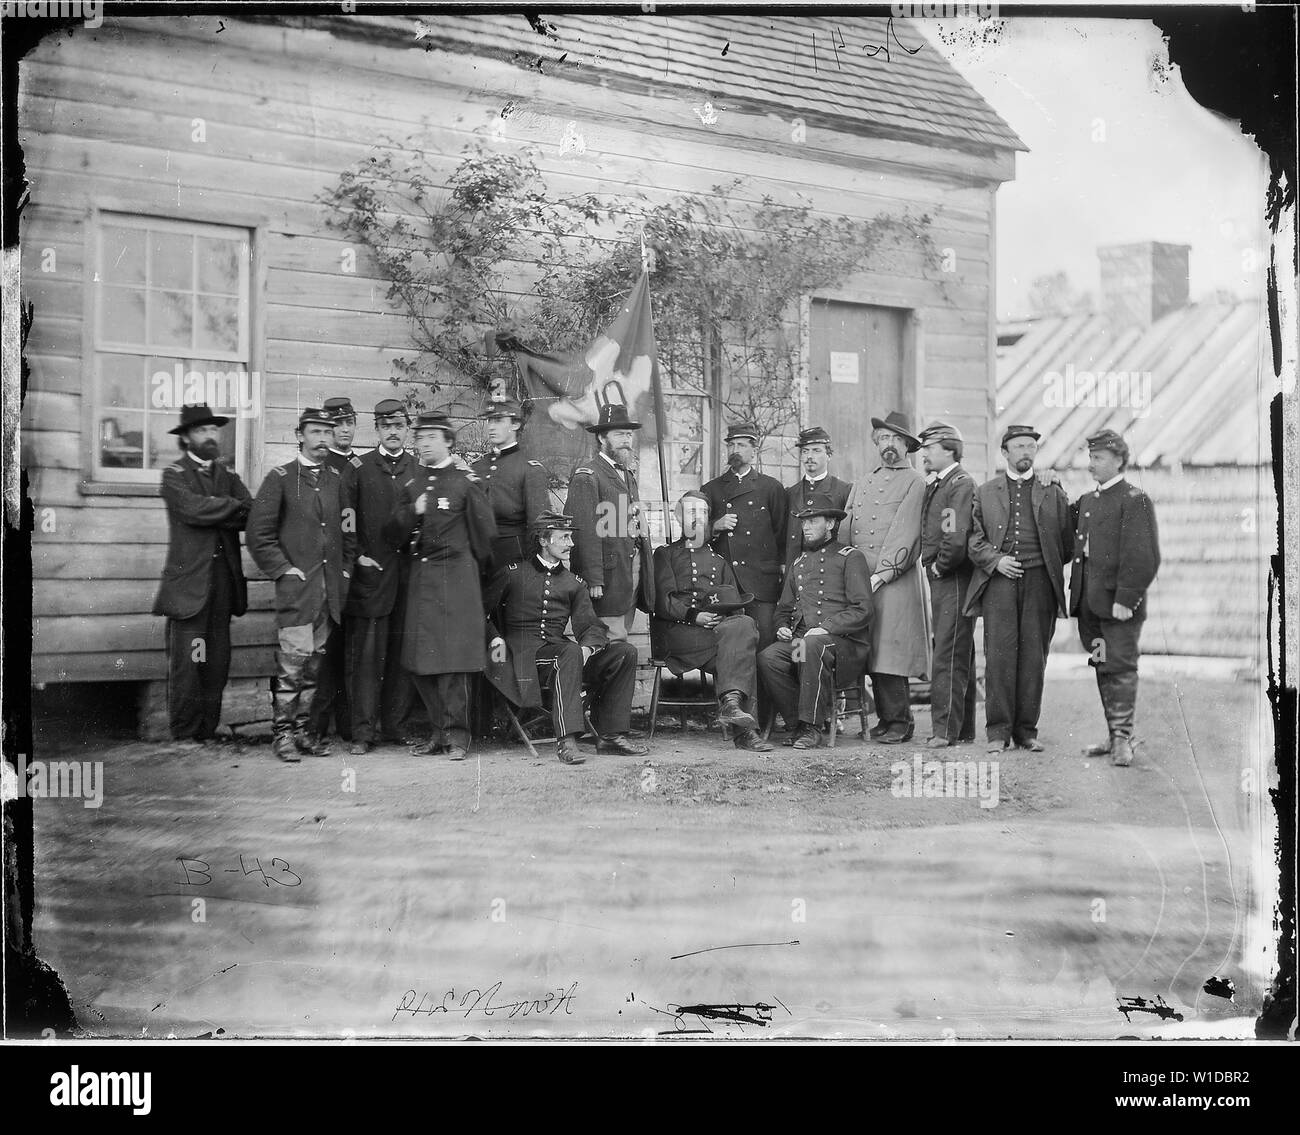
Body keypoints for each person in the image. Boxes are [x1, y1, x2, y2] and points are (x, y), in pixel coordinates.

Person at [484, 511, 648, 764]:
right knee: (567, 652)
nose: (571, 544)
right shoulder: (514, 573)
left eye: (571, 538)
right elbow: (481, 613)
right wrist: (495, 638)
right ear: (543, 540)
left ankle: (610, 736)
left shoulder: (573, 583)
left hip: (560, 656)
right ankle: (567, 741)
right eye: (564, 538)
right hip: (521, 658)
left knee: (624, 653)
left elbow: (591, 626)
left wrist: (588, 649)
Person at [382, 412, 496, 760]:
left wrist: (469, 577)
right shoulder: (412, 486)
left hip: (458, 579)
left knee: (455, 661)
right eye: (421, 438)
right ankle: (438, 732)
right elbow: (392, 536)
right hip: (422, 580)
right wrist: (411, 513)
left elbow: (485, 537)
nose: (425, 443)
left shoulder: (466, 483)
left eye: (433, 437)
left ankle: (458, 737)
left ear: (449, 442)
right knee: (423, 660)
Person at [246, 407, 356, 762]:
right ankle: (283, 736)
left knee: (315, 667)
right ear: (300, 435)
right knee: (292, 666)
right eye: (315, 432)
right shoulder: (280, 478)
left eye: (328, 432)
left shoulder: (335, 480)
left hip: (328, 594)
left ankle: (306, 732)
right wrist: (283, 570)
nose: (323, 439)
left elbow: (347, 531)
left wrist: (344, 572)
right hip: (298, 593)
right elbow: (258, 535)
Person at [965, 424, 1073, 754]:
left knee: (1033, 656)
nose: (1026, 452)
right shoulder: (986, 492)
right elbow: (973, 540)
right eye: (1019, 446)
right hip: (999, 582)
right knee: (999, 656)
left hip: (1040, 582)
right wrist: (996, 562)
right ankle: (998, 732)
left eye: (1031, 446)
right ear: (1005, 453)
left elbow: (1066, 542)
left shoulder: (1052, 490)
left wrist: (1042, 563)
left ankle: (1027, 731)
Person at [151, 403, 252, 744]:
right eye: (201, 430)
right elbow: (191, 510)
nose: (210, 435)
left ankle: (207, 731)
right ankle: (185, 736)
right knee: (189, 663)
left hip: (223, 585)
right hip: (189, 589)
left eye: (213, 429)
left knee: (217, 661)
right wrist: (228, 509)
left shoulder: (228, 476)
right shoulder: (174, 476)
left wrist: (220, 511)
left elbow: (249, 513)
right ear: (186, 438)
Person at [651, 490, 771, 753]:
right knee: (740, 648)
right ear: (679, 517)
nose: (698, 518)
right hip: (679, 634)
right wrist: (695, 615)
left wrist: (722, 617)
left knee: (743, 630)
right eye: (691, 512)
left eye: (703, 513)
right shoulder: (665, 555)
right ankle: (743, 728)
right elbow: (661, 601)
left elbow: (734, 604)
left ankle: (733, 708)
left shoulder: (719, 561)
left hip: (714, 638)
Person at [1069, 429, 1161, 768]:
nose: (1092, 465)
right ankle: (1113, 734)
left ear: (1119, 460)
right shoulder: (1089, 501)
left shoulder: (1134, 499)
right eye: (1091, 458)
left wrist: (1127, 597)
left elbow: (1144, 556)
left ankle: (1123, 739)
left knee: (1120, 667)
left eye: (1099, 459)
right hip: (1090, 606)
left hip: (1118, 606)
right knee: (1102, 664)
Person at [758, 494, 872, 750]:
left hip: (843, 646)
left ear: (831, 524)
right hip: (804, 643)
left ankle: (812, 727)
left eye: (813, 521)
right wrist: (782, 627)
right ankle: (797, 723)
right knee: (769, 657)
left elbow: (863, 609)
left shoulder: (850, 557)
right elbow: (783, 609)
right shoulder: (799, 563)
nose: (806, 527)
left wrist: (827, 627)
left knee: (813, 645)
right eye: (803, 522)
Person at [843, 410, 930, 744]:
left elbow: (906, 534)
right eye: (882, 439)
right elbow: (847, 528)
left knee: (891, 648)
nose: (888, 445)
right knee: (872, 647)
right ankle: (885, 718)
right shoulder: (862, 483)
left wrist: (881, 575)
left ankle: (900, 721)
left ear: (907, 444)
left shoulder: (915, 482)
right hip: (861, 577)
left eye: (895, 439)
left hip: (894, 577)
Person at [341, 398, 421, 755]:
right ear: (376, 429)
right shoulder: (358, 469)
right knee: (368, 658)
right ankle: (363, 732)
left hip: (409, 577)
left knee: (403, 653)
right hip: (372, 578)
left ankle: (396, 725)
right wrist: (358, 557)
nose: (392, 432)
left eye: (399, 426)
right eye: (386, 426)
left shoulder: (418, 468)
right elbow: (345, 521)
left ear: (407, 429)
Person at [565, 403, 654, 641]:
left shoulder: (627, 474)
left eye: (628, 434)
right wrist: (593, 577)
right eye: (619, 434)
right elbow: (583, 531)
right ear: (602, 437)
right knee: (610, 639)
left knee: (622, 630)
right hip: (607, 575)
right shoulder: (589, 475)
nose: (626, 440)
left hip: (630, 569)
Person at [701, 421, 787, 652]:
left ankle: (762, 690)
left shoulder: (771, 488)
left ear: (754, 450)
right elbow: (694, 536)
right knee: (729, 646)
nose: (735, 450)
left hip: (761, 581)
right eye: (731, 445)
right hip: (727, 581)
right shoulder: (712, 489)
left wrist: (781, 569)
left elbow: (782, 534)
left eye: (741, 445)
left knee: (764, 644)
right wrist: (714, 526)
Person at [917, 422, 977, 748]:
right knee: (958, 651)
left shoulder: (958, 484)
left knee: (948, 653)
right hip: (946, 578)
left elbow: (955, 535)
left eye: (930, 447)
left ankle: (943, 731)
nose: (924, 453)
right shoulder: (942, 482)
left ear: (950, 450)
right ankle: (961, 729)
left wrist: (940, 565)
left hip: (952, 578)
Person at [310, 396, 363, 744]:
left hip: (357, 573)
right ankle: (316, 727)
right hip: (326, 574)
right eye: (337, 425)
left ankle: (348, 725)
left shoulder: (360, 465)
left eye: (349, 423)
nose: (344, 430)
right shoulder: (321, 467)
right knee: (323, 652)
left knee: (352, 652)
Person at [470, 397, 551, 571]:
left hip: (513, 556)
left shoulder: (529, 468)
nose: (491, 426)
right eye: (490, 420)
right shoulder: (477, 467)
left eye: (498, 420)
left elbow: (538, 526)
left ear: (515, 425)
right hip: (478, 556)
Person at [784, 425, 852, 568]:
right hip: (796, 570)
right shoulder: (790, 493)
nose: (809, 456)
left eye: (816, 451)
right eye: (805, 451)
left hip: (828, 571)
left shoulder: (844, 490)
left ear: (828, 455)